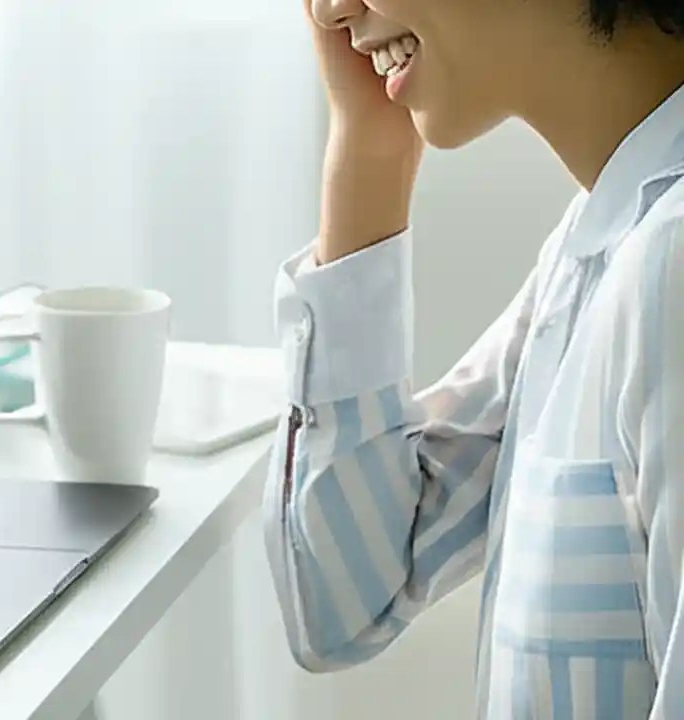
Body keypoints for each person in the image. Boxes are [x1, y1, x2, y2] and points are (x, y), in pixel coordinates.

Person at [264, 0, 684, 715]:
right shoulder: (601, 243)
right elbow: (344, 601)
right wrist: (369, 155)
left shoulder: (669, 264)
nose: (332, 10)